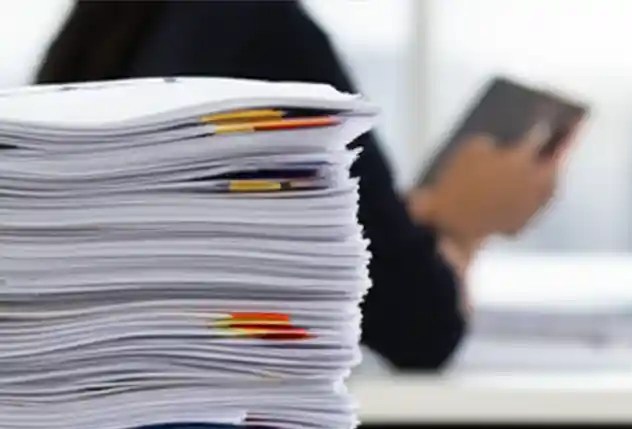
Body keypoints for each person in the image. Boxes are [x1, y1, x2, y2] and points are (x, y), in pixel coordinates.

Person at [35, 0, 558, 370]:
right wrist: (465, 223)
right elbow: (418, 325)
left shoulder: (112, 28)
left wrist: (417, 220)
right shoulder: (260, 32)